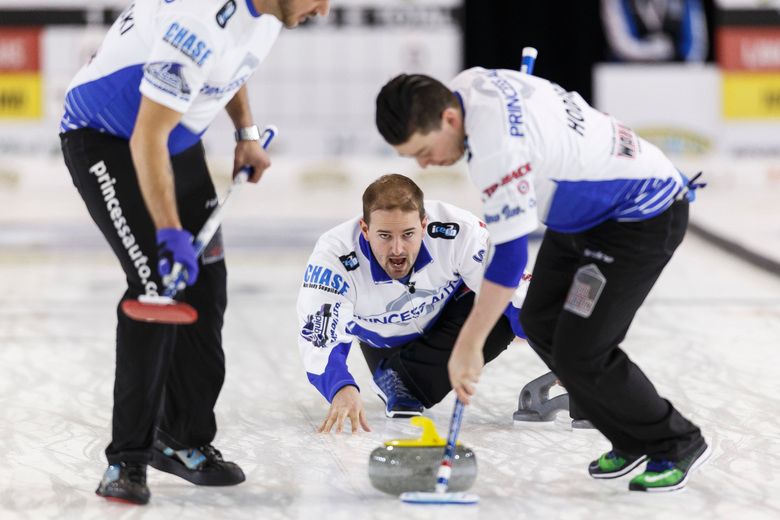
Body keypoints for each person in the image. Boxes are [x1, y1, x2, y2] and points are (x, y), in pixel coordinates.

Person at [375, 68, 710, 492]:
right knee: (540, 321)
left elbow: (510, 258)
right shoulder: (467, 85)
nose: (423, 164)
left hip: (637, 218)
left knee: (583, 350)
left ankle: (677, 441)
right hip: (581, 216)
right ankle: (630, 437)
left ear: (449, 119)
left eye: (423, 150)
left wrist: (469, 345)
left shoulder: (496, 150)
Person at [59, 0, 330, 505]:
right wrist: (168, 233)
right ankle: (126, 460)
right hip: (109, 139)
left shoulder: (271, 12)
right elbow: (146, 137)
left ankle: (181, 439)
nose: (325, 9)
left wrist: (245, 134)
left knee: (207, 285)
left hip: (176, 142)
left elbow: (234, 66)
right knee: (156, 287)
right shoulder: (196, 20)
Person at [296, 174, 529, 433]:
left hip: (447, 319)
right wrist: (341, 388)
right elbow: (319, 337)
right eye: (384, 235)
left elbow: (516, 293)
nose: (397, 249)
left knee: (497, 305)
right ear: (365, 229)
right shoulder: (333, 257)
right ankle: (399, 379)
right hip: (385, 346)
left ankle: (409, 377)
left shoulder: (458, 230)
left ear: (424, 224)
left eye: (408, 234)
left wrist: (561, 355)